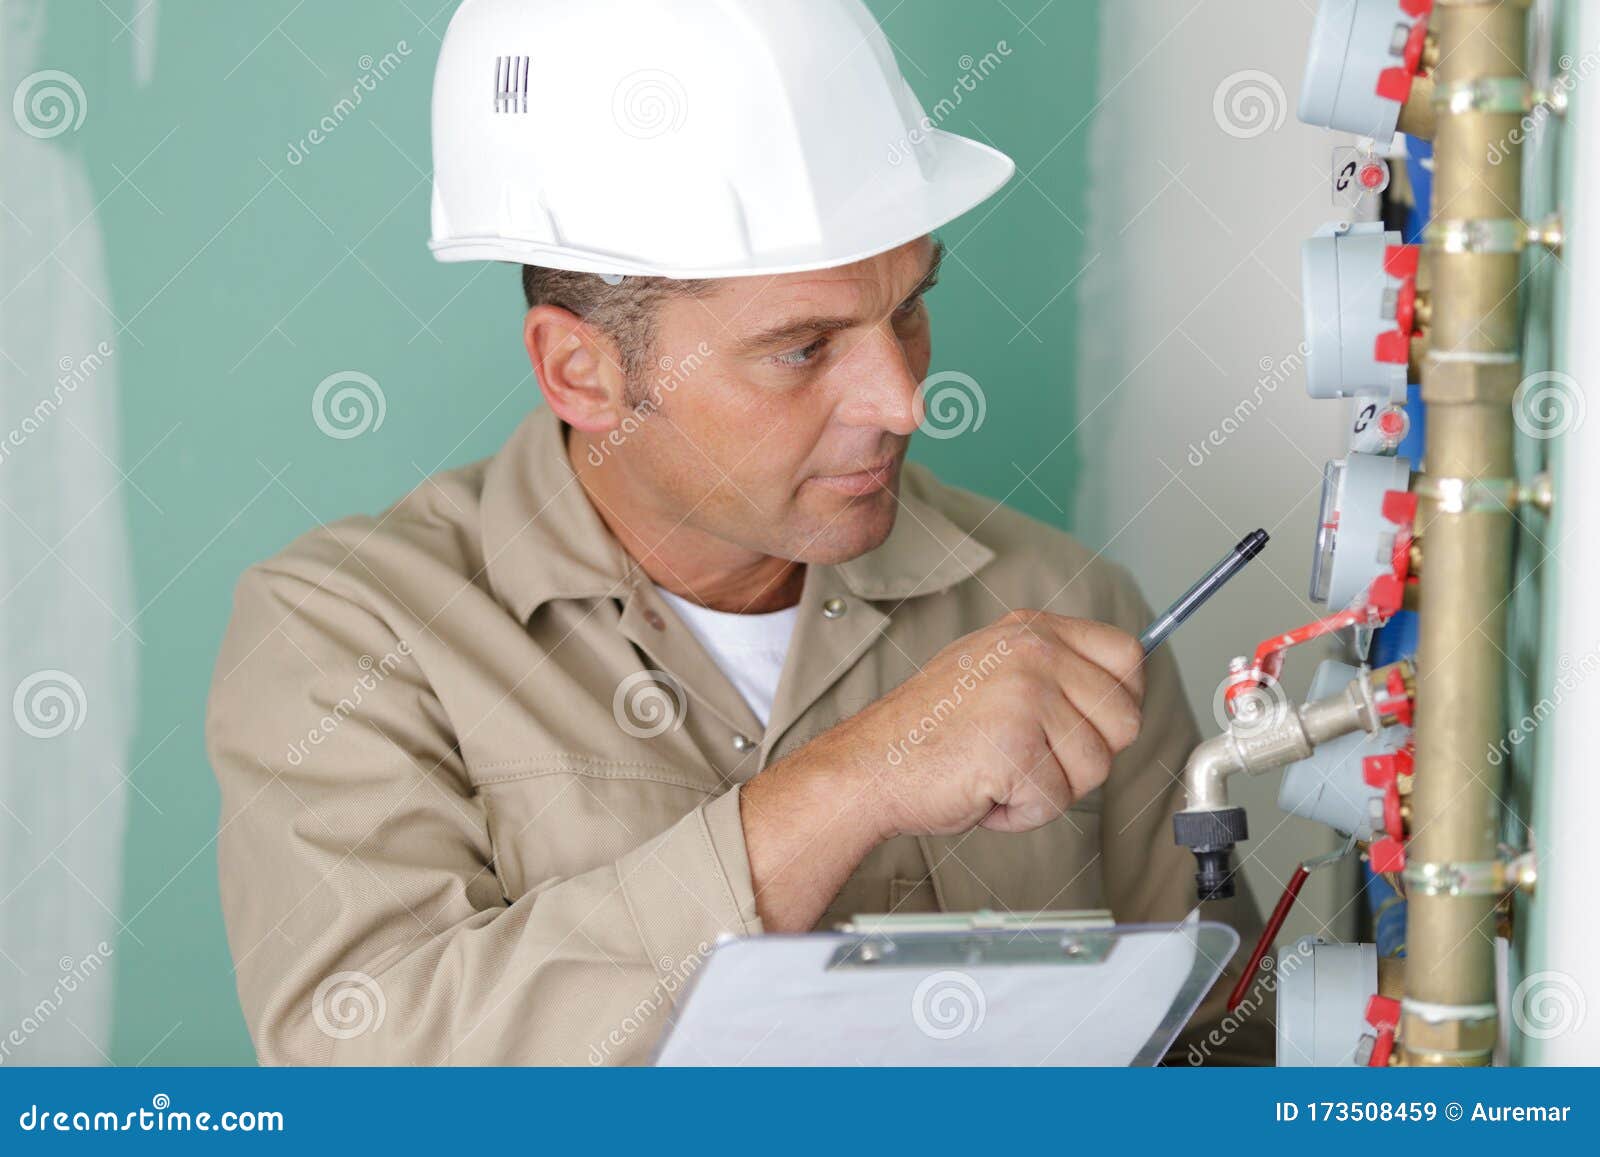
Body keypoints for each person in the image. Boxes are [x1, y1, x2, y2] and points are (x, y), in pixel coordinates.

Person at [206, 0, 1267, 1065]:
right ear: (583, 371)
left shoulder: (1061, 603)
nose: (901, 400)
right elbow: (367, 1070)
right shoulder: (345, 633)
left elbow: (1225, 1047)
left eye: (906, 307)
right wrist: (853, 781)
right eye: (803, 348)